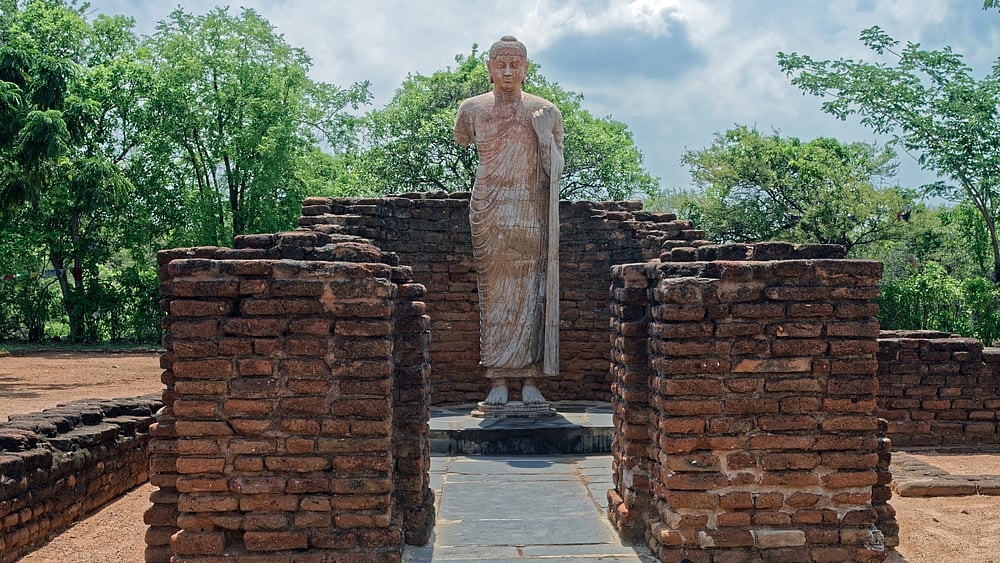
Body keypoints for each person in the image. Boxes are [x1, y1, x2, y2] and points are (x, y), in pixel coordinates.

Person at [453, 36, 564, 407]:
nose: (507, 71)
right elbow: (461, 139)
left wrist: (545, 137)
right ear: (488, 69)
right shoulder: (472, 109)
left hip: (530, 209)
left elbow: (555, 172)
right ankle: (497, 379)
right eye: (500, 64)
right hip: (489, 208)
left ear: (526, 68)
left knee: (532, 293)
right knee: (494, 296)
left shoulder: (545, 110)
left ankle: (530, 379)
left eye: (514, 65)